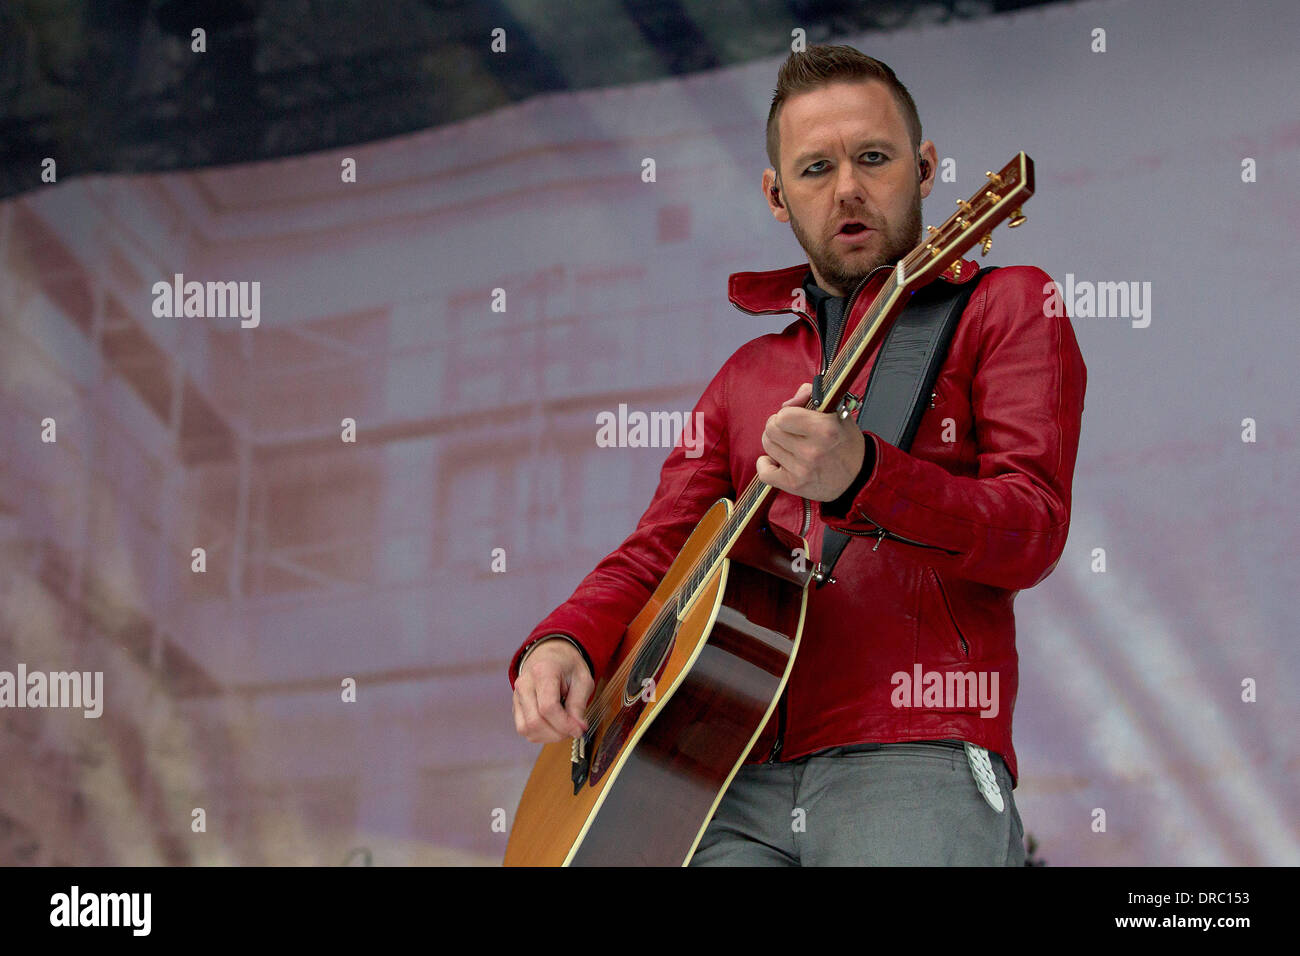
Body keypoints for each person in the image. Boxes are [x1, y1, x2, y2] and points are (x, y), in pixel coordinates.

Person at [508, 44, 1086, 865]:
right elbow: (657, 557)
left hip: (909, 748)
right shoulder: (746, 376)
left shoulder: (1008, 305)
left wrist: (867, 477)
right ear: (778, 197)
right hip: (719, 779)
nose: (847, 186)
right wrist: (565, 641)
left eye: (874, 158)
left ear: (925, 169)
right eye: (815, 168)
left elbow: (1032, 531)